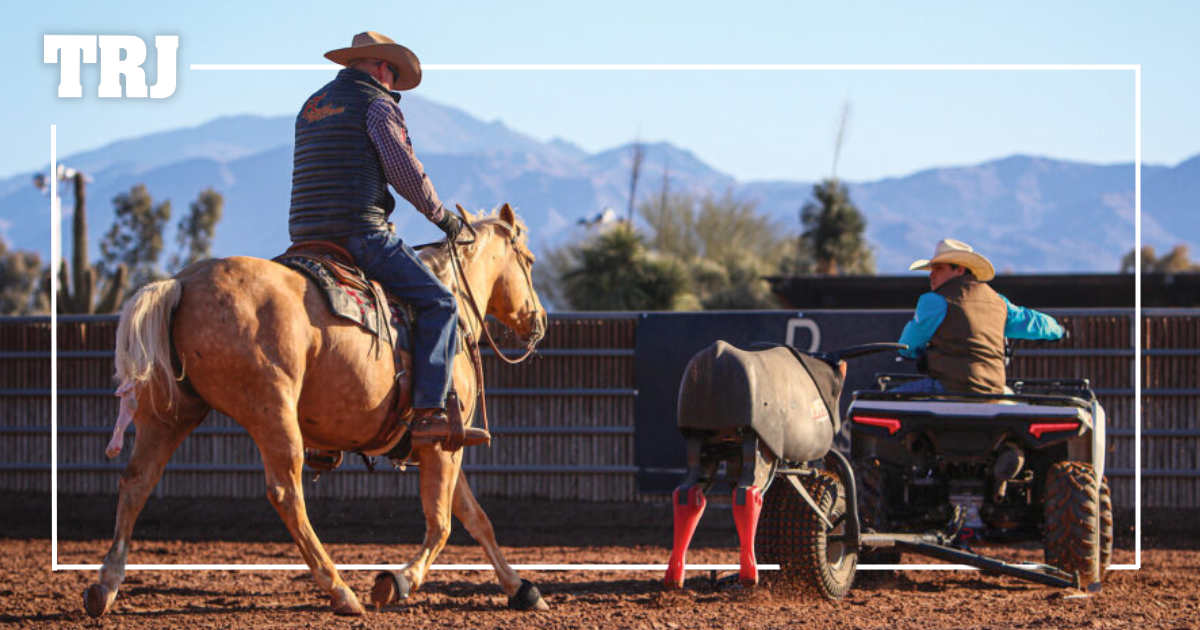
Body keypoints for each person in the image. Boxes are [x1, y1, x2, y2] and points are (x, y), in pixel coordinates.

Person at [288, 31, 465, 444]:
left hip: (304, 237)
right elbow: (404, 171)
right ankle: (429, 412)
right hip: (359, 233)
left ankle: (321, 445)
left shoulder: (311, 106)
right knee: (440, 303)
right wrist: (442, 218)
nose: (392, 85)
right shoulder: (377, 104)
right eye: (394, 77)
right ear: (383, 68)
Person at [894, 239, 1064, 394]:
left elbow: (909, 344)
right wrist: (1057, 330)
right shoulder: (999, 302)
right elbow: (1033, 321)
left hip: (949, 387)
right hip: (994, 390)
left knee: (886, 401)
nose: (931, 275)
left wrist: (911, 353)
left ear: (959, 269)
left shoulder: (935, 300)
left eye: (939, 268)